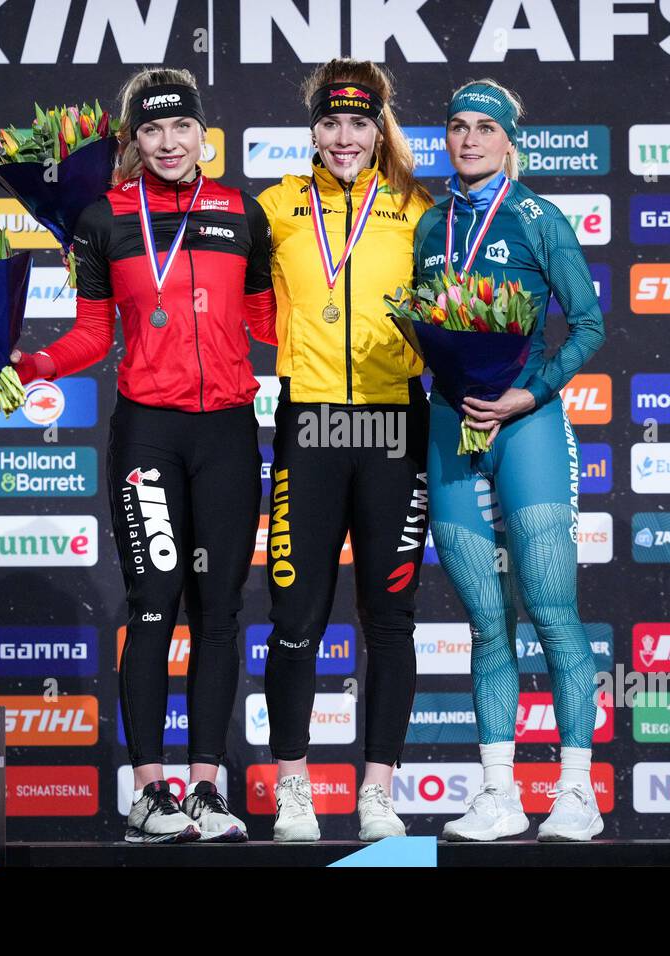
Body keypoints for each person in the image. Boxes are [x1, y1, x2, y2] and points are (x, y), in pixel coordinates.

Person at [0, 67, 276, 843]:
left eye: (181, 128)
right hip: (149, 434)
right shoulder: (102, 221)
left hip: (229, 434)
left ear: (203, 132)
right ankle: (150, 792)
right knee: (152, 606)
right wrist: (32, 366)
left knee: (221, 613)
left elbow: (272, 323)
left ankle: (206, 789)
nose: (169, 143)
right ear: (132, 141)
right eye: (152, 131)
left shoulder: (242, 212)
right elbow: (90, 336)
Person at [412, 79, 606, 841]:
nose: (467, 140)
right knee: (486, 623)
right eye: (457, 127)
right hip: (450, 426)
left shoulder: (537, 217)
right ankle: (497, 793)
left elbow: (588, 325)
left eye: (484, 128)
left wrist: (531, 395)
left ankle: (576, 793)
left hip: (527, 426)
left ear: (508, 138)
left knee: (553, 613)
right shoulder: (429, 224)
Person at [255, 59, 434, 842]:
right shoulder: (274, 206)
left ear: (379, 126)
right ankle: (293, 788)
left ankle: (378, 794)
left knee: (390, 617)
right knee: (296, 613)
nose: (343, 137)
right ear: (313, 129)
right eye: (330, 123)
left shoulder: (420, 209)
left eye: (359, 123)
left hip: (396, 427)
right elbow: (248, 304)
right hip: (313, 425)